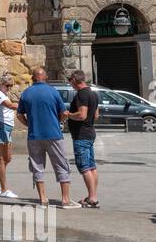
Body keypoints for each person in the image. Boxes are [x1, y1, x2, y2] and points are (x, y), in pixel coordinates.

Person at [16, 67, 78, 208]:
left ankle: (43, 199)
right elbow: (63, 112)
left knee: (37, 166)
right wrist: (58, 122)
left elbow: (19, 115)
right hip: (54, 134)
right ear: (46, 77)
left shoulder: (26, 93)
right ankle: (65, 199)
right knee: (61, 164)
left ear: (33, 78)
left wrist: (29, 124)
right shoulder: (53, 92)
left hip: (34, 135)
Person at [65, 70, 101, 208]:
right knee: (91, 166)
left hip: (81, 134)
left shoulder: (81, 94)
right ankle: (92, 195)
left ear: (74, 79)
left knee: (84, 166)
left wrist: (68, 115)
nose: (69, 83)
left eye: (70, 80)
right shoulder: (93, 93)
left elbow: (81, 115)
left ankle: (92, 198)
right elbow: (96, 115)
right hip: (90, 132)